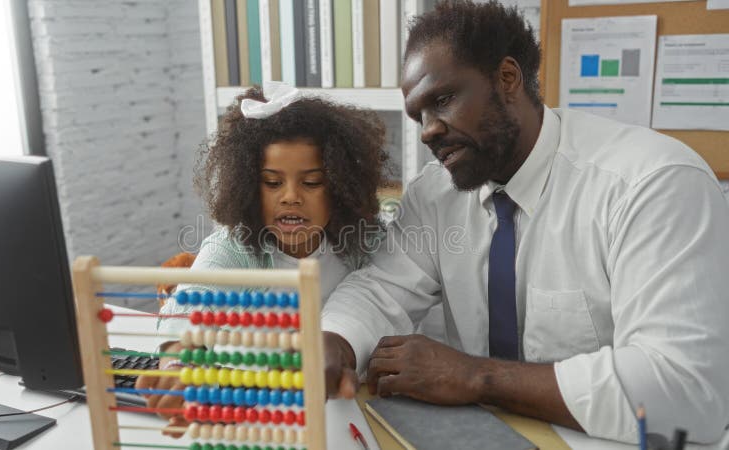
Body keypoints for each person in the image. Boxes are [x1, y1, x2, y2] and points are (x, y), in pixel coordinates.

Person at [321, 0, 729, 444]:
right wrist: (335, 340)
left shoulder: (651, 183)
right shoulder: (433, 195)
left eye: (442, 100)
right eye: (418, 115)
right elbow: (380, 288)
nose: (427, 131)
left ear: (508, 78)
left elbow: (686, 389)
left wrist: (477, 376)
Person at [136, 82, 391, 432]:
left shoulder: (365, 244)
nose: (290, 197)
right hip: (264, 420)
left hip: (346, 414)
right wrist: (176, 364)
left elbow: (393, 307)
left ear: (340, 186)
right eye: (272, 183)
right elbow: (183, 315)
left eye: (312, 182)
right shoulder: (234, 248)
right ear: (248, 188)